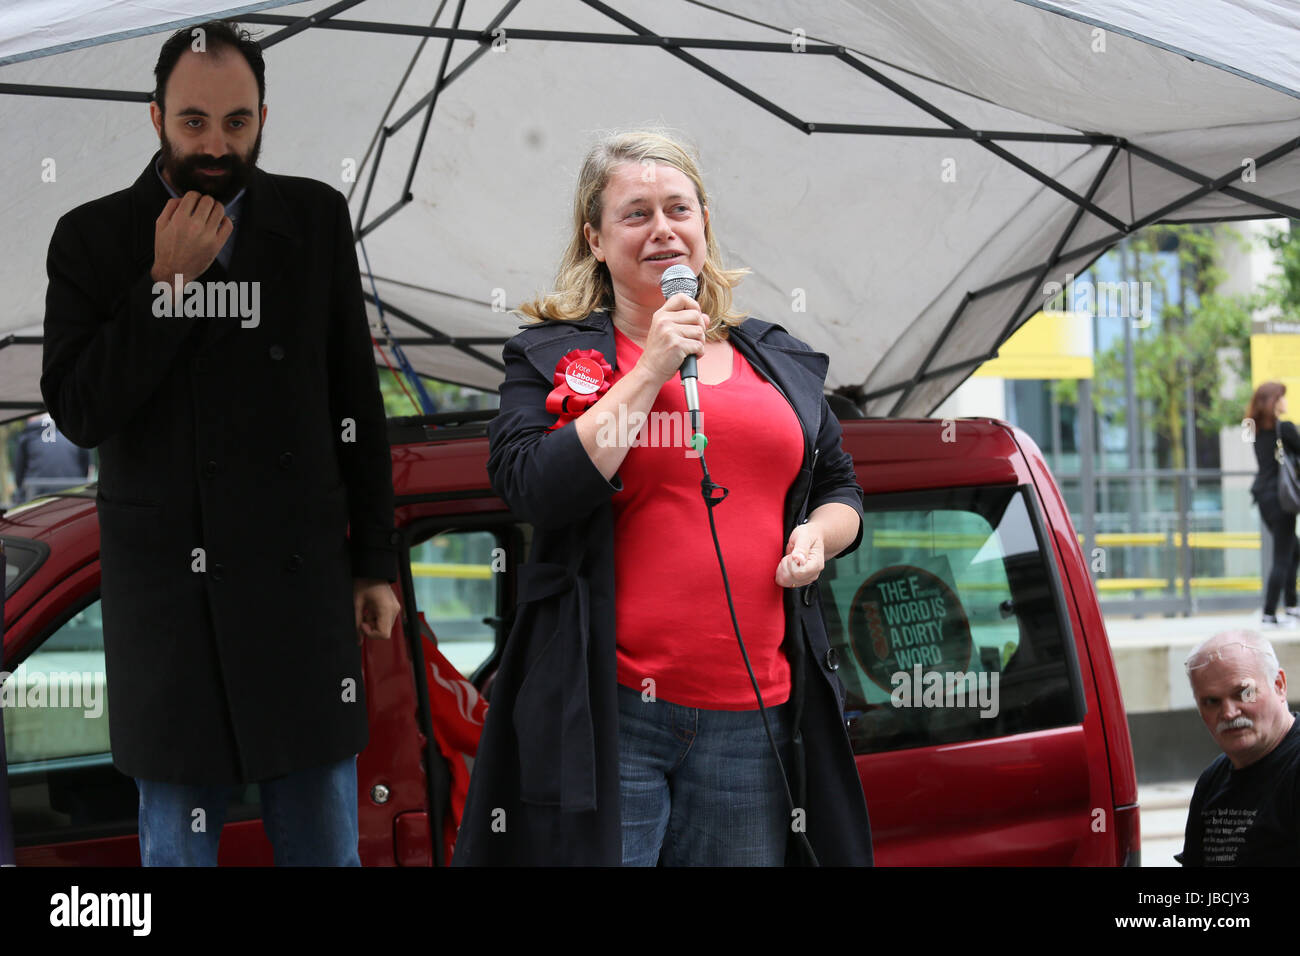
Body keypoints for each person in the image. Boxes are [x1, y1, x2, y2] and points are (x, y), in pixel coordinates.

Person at [453, 130, 873, 866]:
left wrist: (817, 536)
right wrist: (648, 368)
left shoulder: (773, 359)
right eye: (635, 213)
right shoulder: (549, 356)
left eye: (678, 208)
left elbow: (839, 487)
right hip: (611, 711)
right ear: (595, 236)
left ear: (704, 221)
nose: (662, 229)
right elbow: (532, 489)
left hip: (757, 711)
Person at [40, 21, 400, 866]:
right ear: (155, 116)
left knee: (323, 851)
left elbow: (356, 397)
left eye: (236, 122)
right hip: (170, 607)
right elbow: (81, 411)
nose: (215, 143)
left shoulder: (313, 216)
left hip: (298, 595)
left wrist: (375, 561)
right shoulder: (90, 238)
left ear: (264, 118)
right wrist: (165, 285)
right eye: (194, 121)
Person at [1178, 631, 1300, 866]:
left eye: (1244, 693)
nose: (1229, 713)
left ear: (1279, 685)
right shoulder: (1212, 781)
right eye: (1212, 701)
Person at [1247, 382, 1300, 626]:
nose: (1286, 402)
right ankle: (1269, 612)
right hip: (1282, 498)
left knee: (1293, 548)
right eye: (1282, 398)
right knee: (1282, 555)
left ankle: (1291, 605)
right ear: (1274, 402)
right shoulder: (1286, 428)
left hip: (1263, 496)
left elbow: (1254, 450)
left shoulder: (1250, 427)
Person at [11, 413, 91, 504]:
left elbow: (19, 475)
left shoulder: (27, 437)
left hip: (36, 496)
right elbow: (85, 468)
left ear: (32, 419)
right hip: (73, 495)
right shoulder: (75, 433)